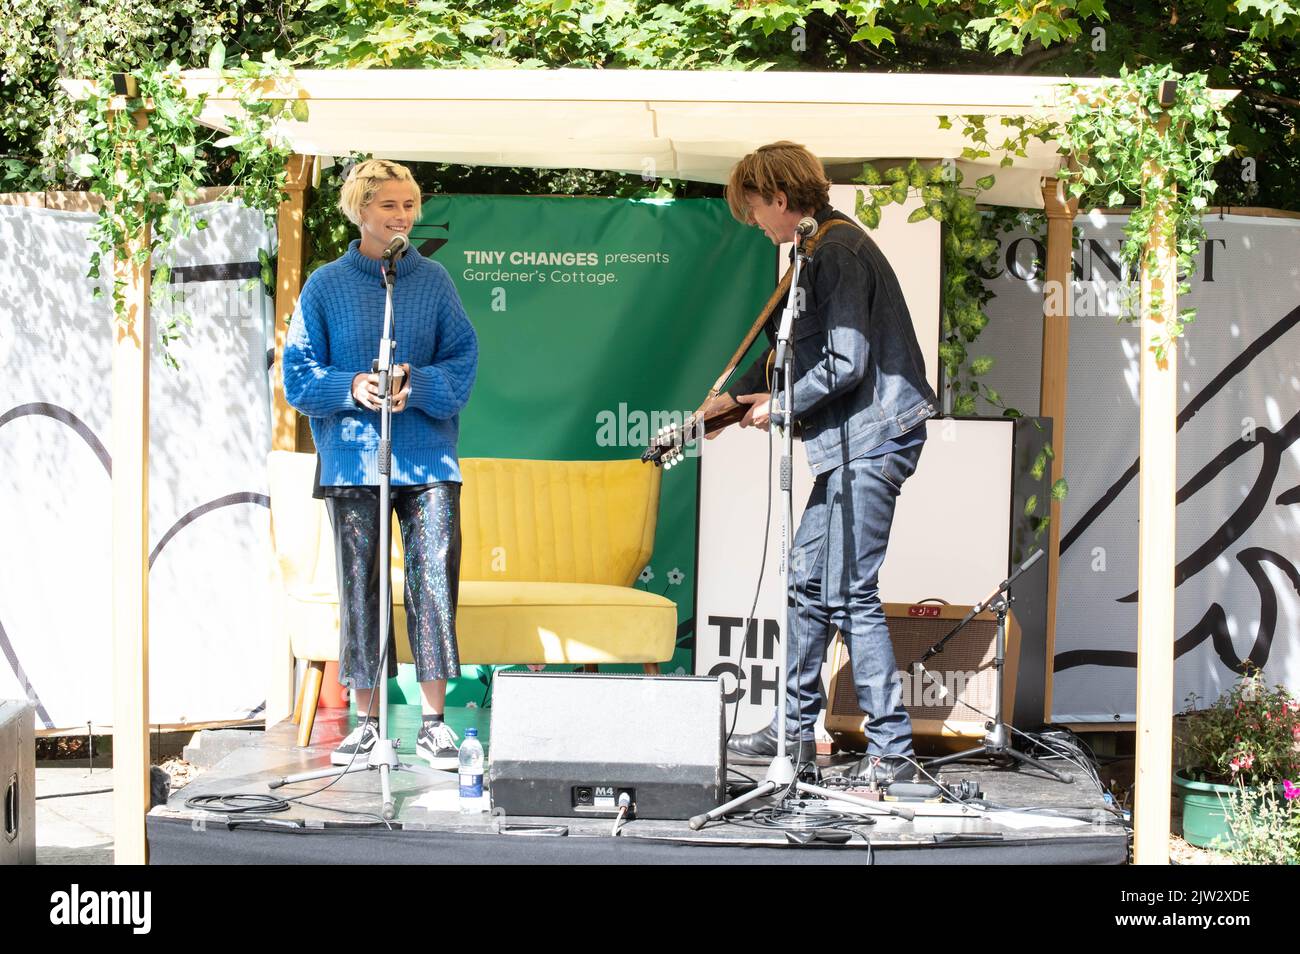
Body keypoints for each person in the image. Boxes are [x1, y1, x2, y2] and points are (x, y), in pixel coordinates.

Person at [718, 142, 937, 781]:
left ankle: (892, 753)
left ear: (781, 200)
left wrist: (777, 405)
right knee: (806, 583)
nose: (757, 224)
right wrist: (745, 404)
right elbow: (821, 362)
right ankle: (791, 735)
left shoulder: (837, 251)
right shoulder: (819, 249)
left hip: (874, 437)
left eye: (757, 211)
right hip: (856, 440)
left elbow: (846, 362)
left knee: (846, 589)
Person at [283, 159, 478, 769]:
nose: (402, 217)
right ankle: (366, 725)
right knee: (360, 590)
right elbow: (298, 376)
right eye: (389, 206)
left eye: (409, 205)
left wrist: (413, 385)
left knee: (433, 585)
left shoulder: (435, 281)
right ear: (358, 210)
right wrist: (354, 386)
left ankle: (435, 723)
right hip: (353, 462)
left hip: (428, 462)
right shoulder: (324, 285)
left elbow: (463, 363)